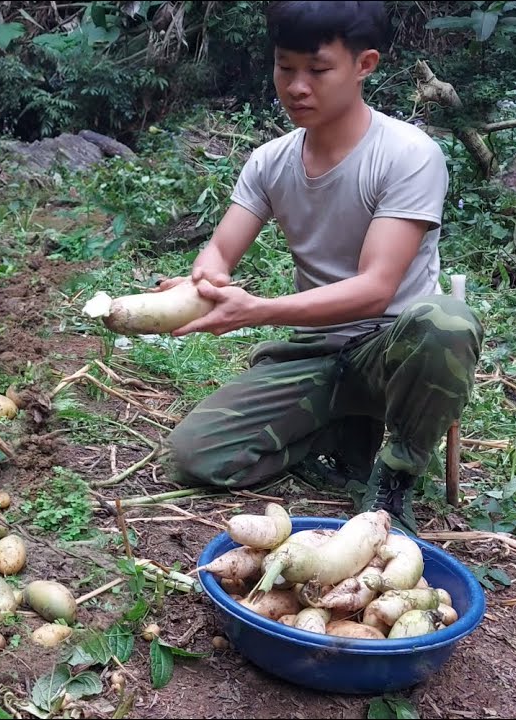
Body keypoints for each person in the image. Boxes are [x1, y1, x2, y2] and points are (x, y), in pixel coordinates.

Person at [156, 0, 484, 536]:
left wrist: (257, 310)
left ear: (364, 65)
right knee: (195, 456)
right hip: (317, 351)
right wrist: (203, 283)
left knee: (446, 322)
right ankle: (334, 432)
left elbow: (376, 289)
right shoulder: (270, 161)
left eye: (317, 70)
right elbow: (219, 254)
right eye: (284, 67)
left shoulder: (408, 155)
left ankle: (394, 480)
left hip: (392, 352)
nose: (296, 87)